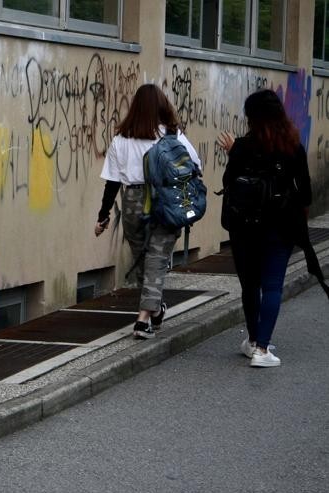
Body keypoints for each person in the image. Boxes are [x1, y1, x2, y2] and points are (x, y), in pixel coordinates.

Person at [94, 84, 201, 340]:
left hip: (133, 200)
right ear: (162, 106)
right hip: (165, 199)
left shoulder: (121, 139)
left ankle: (146, 314)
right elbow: (195, 165)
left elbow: (112, 183)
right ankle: (149, 314)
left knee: (144, 258)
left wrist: (103, 215)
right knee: (156, 258)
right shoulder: (172, 136)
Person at [216, 89, 312, 368]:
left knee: (250, 286)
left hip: (243, 227)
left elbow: (230, 182)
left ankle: (253, 339)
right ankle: (261, 348)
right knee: (272, 286)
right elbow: (305, 193)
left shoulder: (243, 146)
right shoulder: (293, 146)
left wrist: (234, 153)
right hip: (279, 227)